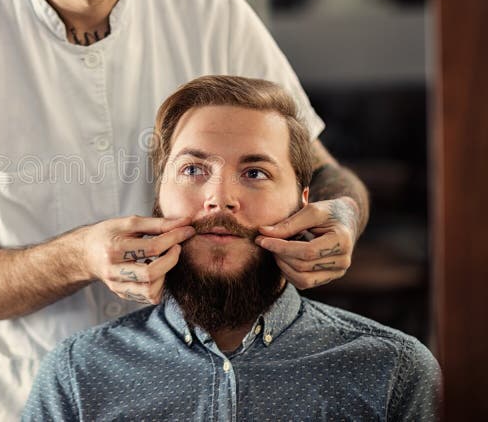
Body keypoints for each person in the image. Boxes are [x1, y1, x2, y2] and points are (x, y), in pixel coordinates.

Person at [0, 0, 369, 419]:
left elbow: (323, 174)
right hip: (28, 397)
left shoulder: (215, 18)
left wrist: (342, 218)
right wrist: (78, 256)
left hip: (207, 394)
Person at [22, 75, 440, 421]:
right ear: (158, 202)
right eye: (192, 169)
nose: (219, 199)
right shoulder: (77, 375)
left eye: (255, 172)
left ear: (303, 203)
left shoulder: (393, 373)